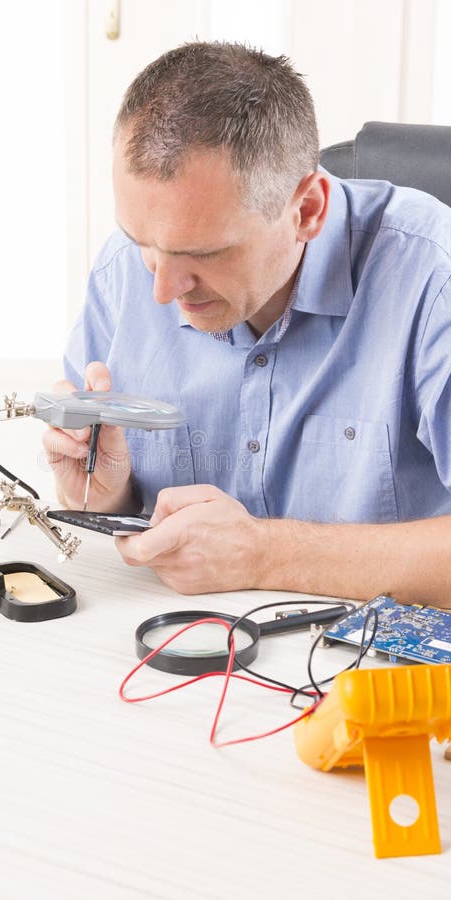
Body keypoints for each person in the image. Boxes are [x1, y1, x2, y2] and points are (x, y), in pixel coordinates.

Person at [43, 42, 451, 608]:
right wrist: (108, 493)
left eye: (202, 253)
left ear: (306, 210)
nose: (162, 290)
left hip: (367, 668)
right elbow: (117, 512)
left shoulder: (433, 276)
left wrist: (262, 552)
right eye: (145, 245)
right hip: (170, 640)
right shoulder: (124, 269)